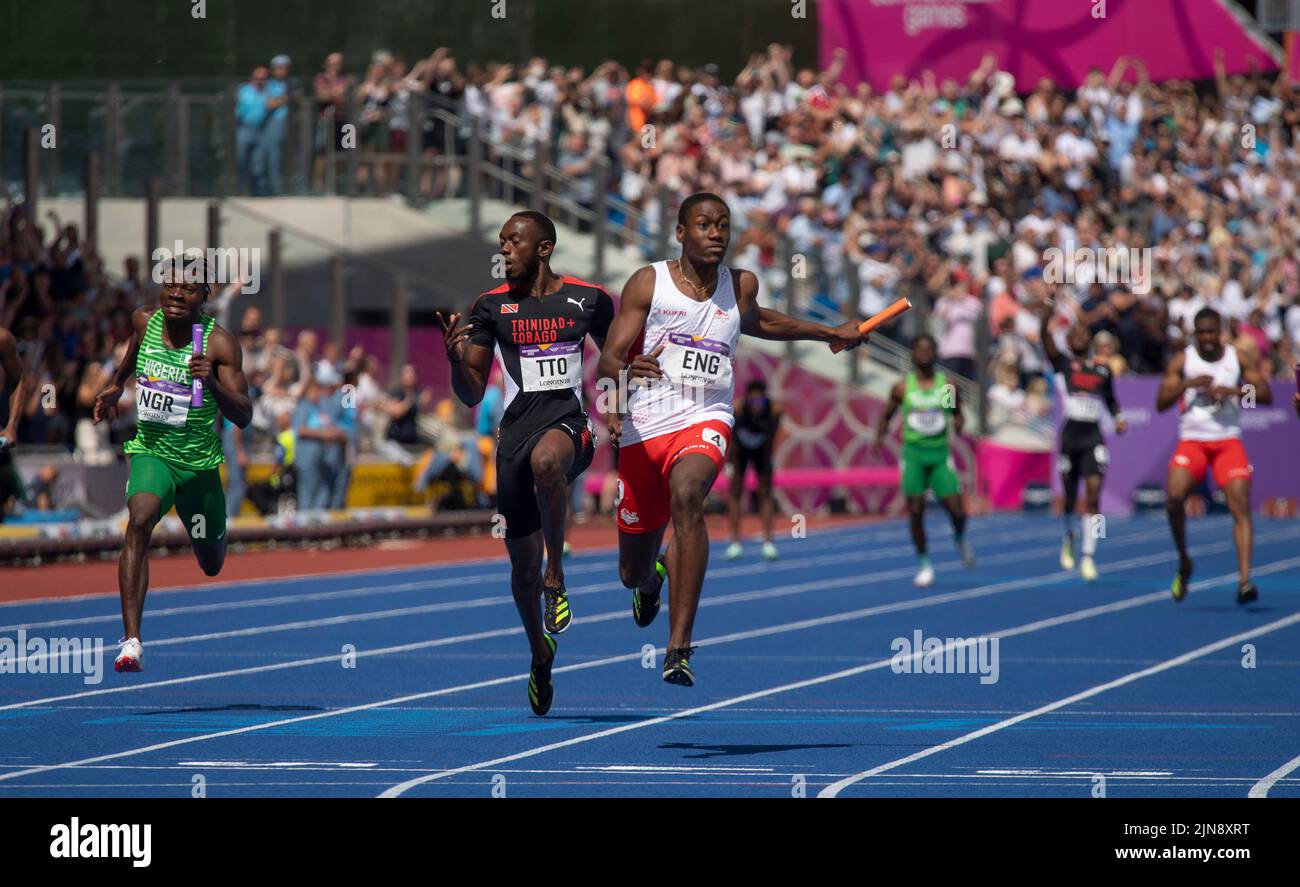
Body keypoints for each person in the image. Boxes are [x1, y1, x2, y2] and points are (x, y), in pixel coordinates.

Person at [596, 192, 864, 687]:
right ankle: (652, 579)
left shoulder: (740, 285)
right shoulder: (648, 283)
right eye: (704, 225)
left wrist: (829, 331)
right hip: (644, 427)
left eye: (723, 225)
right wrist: (625, 371)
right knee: (631, 573)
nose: (716, 233)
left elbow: (762, 320)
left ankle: (678, 648)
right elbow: (608, 358)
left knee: (688, 495)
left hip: (707, 417)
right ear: (680, 233)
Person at [438, 210, 612, 716]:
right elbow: (471, 394)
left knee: (547, 465)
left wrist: (622, 406)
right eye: (501, 241)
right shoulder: (489, 308)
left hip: (570, 426)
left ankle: (556, 576)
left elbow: (618, 355)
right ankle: (539, 653)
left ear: (544, 247)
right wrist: (455, 360)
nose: (504, 249)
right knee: (520, 567)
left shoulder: (588, 300)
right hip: (512, 437)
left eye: (514, 241)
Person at [93, 255, 252, 672]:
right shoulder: (145, 321)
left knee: (211, 563)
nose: (177, 293)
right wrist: (114, 386)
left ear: (204, 296)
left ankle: (210, 534)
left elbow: (244, 414)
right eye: (171, 285)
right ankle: (131, 642)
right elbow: (131, 357)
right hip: (153, 453)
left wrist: (211, 383)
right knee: (140, 519)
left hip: (198, 467)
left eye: (188, 288)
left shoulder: (220, 344)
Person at [1156, 307, 1271, 604]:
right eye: (1201, 332)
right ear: (1195, 333)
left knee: (1239, 503)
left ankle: (1244, 580)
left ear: (1220, 332)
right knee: (1173, 497)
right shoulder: (1184, 360)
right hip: (1193, 440)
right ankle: (1184, 560)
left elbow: (1267, 395)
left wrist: (1234, 392)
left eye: (1211, 331)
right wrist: (1186, 385)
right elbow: (1160, 403)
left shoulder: (1238, 358)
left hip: (1227, 441)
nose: (1207, 338)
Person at [873, 334, 975, 587]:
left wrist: (959, 422)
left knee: (958, 511)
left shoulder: (947, 385)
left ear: (936, 353)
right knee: (916, 512)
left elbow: (955, 412)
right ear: (912, 354)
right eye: (919, 350)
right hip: (914, 455)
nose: (924, 354)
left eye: (929, 349)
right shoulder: (902, 388)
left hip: (940, 455)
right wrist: (879, 436)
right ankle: (925, 565)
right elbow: (887, 415)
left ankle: (959, 538)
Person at [1041, 302, 1127, 581]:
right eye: (1073, 335)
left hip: (1093, 437)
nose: (1078, 338)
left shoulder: (1102, 371)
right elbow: (1045, 338)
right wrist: (1046, 311)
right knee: (1068, 498)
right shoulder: (1063, 364)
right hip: (1070, 437)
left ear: (1089, 340)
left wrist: (1119, 417)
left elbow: (1112, 401)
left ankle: (1088, 557)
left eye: (1083, 334)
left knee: (1093, 495)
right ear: (1068, 341)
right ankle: (1069, 535)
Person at [725, 378, 781, 560]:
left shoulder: (774, 410)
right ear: (747, 399)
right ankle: (735, 542)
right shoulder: (738, 408)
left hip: (761, 449)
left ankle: (768, 542)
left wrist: (766, 462)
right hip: (739, 450)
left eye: (760, 401)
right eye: (753, 401)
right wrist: (731, 463)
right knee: (735, 491)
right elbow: (730, 437)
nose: (757, 405)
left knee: (765, 492)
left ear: (766, 399)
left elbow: (771, 438)